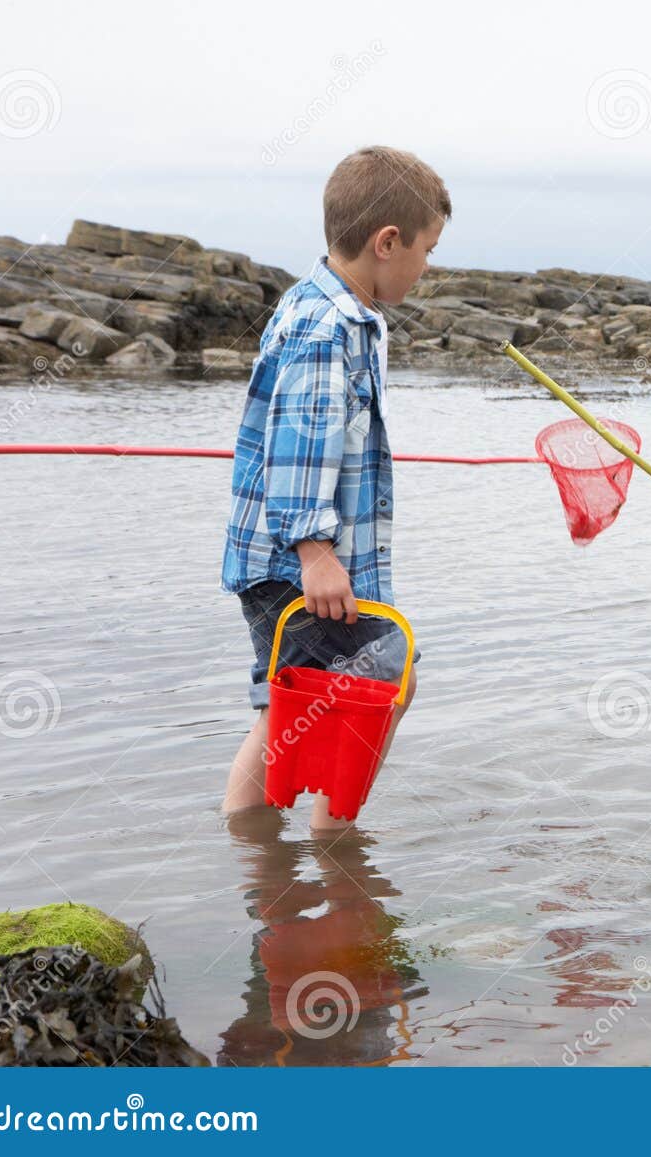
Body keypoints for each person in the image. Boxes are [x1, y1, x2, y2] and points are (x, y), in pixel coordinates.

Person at [220, 146, 450, 829]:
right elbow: (300, 442)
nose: (427, 265)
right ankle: (331, 836)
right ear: (387, 242)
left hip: (282, 562)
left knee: (284, 704)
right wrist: (317, 552)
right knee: (387, 677)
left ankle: (258, 848)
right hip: (298, 564)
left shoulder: (326, 308)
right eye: (427, 249)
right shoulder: (328, 327)